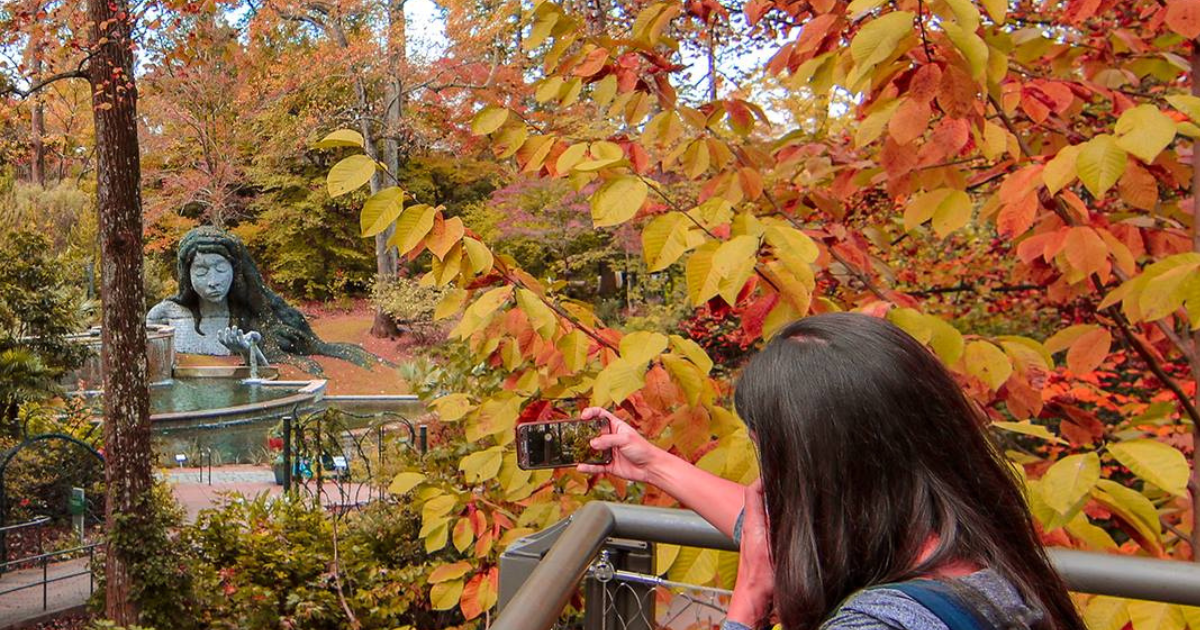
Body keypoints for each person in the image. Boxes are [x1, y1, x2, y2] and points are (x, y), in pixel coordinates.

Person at [578, 313, 1085, 630]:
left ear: (825, 472)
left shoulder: (880, 624)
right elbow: (788, 531)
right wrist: (656, 465)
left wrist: (748, 602)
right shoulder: (988, 558)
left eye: (771, 455)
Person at [147, 226, 374, 371]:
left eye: (220, 269)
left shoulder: (251, 318)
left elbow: (261, 378)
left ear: (235, 272)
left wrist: (247, 352)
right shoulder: (164, 315)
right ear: (187, 274)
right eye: (202, 271)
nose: (213, 281)